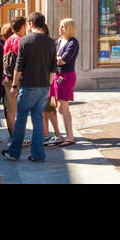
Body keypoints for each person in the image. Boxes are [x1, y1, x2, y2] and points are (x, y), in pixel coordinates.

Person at [3, 12, 58, 164]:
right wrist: (47, 83)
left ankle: (14, 153)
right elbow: (54, 67)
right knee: (38, 120)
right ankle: (38, 155)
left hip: (28, 86)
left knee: (21, 119)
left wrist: (14, 85)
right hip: (44, 86)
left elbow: (19, 66)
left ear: (31, 24)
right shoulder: (51, 41)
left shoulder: (25, 41)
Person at [47, 18, 79, 146]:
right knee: (60, 107)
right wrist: (55, 58)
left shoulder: (73, 42)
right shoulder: (58, 41)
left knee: (63, 106)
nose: (60, 29)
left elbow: (63, 60)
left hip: (66, 76)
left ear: (69, 28)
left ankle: (70, 136)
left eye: (63, 27)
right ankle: (67, 134)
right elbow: (55, 58)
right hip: (57, 75)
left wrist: (54, 59)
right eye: (60, 26)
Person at [2, 16, 26, 141]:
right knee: (20, 110)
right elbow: (21, 63)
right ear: (22, 27)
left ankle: (13, 136)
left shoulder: (8, 40)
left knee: (10, 110)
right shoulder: (20, 41)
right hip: (17, 80)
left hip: (7, 77)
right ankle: (18, 138)